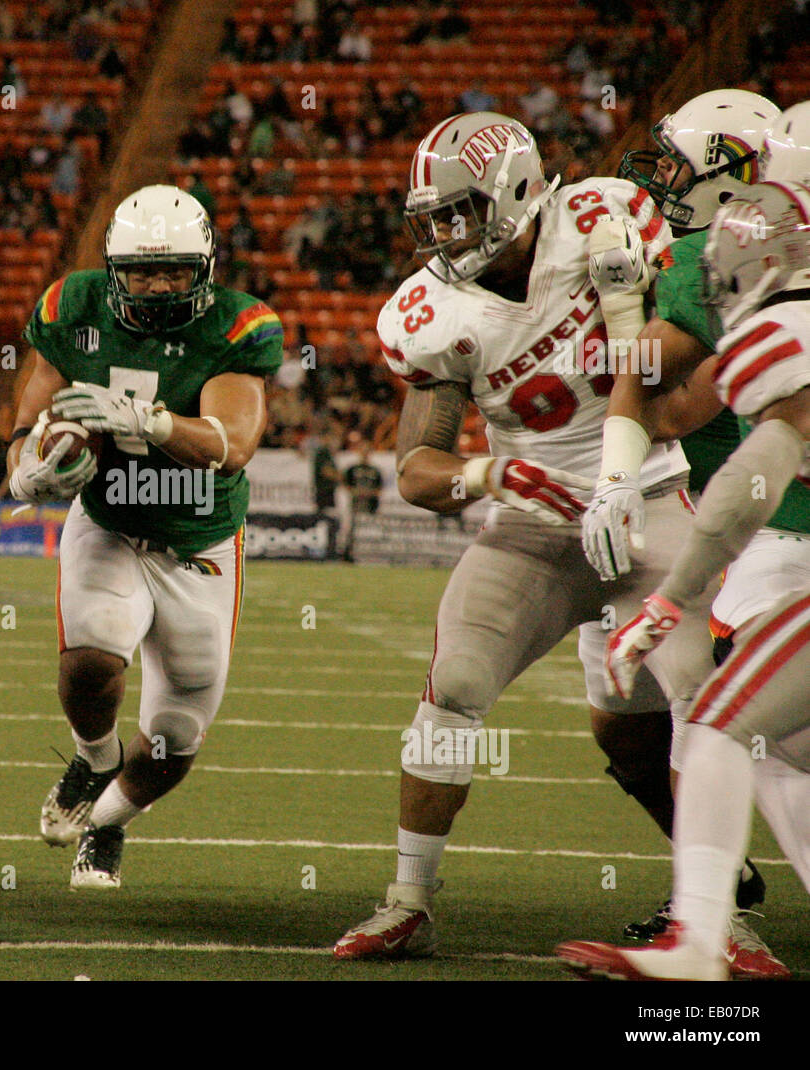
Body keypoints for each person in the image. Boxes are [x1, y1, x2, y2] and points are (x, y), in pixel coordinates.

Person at [330, 113, 720, 963]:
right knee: (454, 685)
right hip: (535, 517)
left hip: (650, 494)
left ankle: (713, 914)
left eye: (458, 214)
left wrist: (637, 286)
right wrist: (489, 475)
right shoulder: (429, 313)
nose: (442, 234)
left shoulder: (601, 217)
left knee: (699, 694)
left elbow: (691, 333)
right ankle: (409, 900)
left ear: (511, 193)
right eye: (431, 218)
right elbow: (416, 469)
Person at [557, 180, 810, 979]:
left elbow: (747, 486)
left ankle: (700, 942)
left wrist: (667, 602)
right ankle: (700, 941)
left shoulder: (783, 335)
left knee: (723, 724)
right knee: (751, 730)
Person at [8, 185, 282, 888]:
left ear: (206, 269)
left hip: (199, 541)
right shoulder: (72, 305)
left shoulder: (238, 326)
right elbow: (38, 394)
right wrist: (24, 465)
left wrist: (152, 423)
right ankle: (94, 756)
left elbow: (235, 441)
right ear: (112, 268)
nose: (159, 285)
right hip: (112, 519)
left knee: (174, 738)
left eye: (175, 270)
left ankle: (104, 825)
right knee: (91, 659)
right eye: (142, 271)